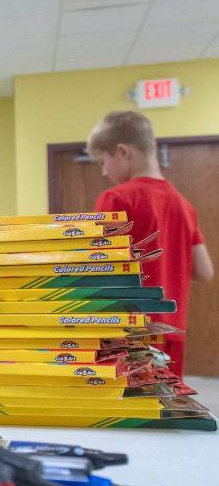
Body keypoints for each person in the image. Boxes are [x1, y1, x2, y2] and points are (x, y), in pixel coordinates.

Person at [87, 110, 214, 377]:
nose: (103, 171)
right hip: (172, 333)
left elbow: (98, 268)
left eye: (103, 161)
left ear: (123, 151)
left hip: (128, 331)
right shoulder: (183, 204)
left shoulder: (116, 199)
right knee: (162, 409)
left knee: (126, 413)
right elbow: (205, 272)